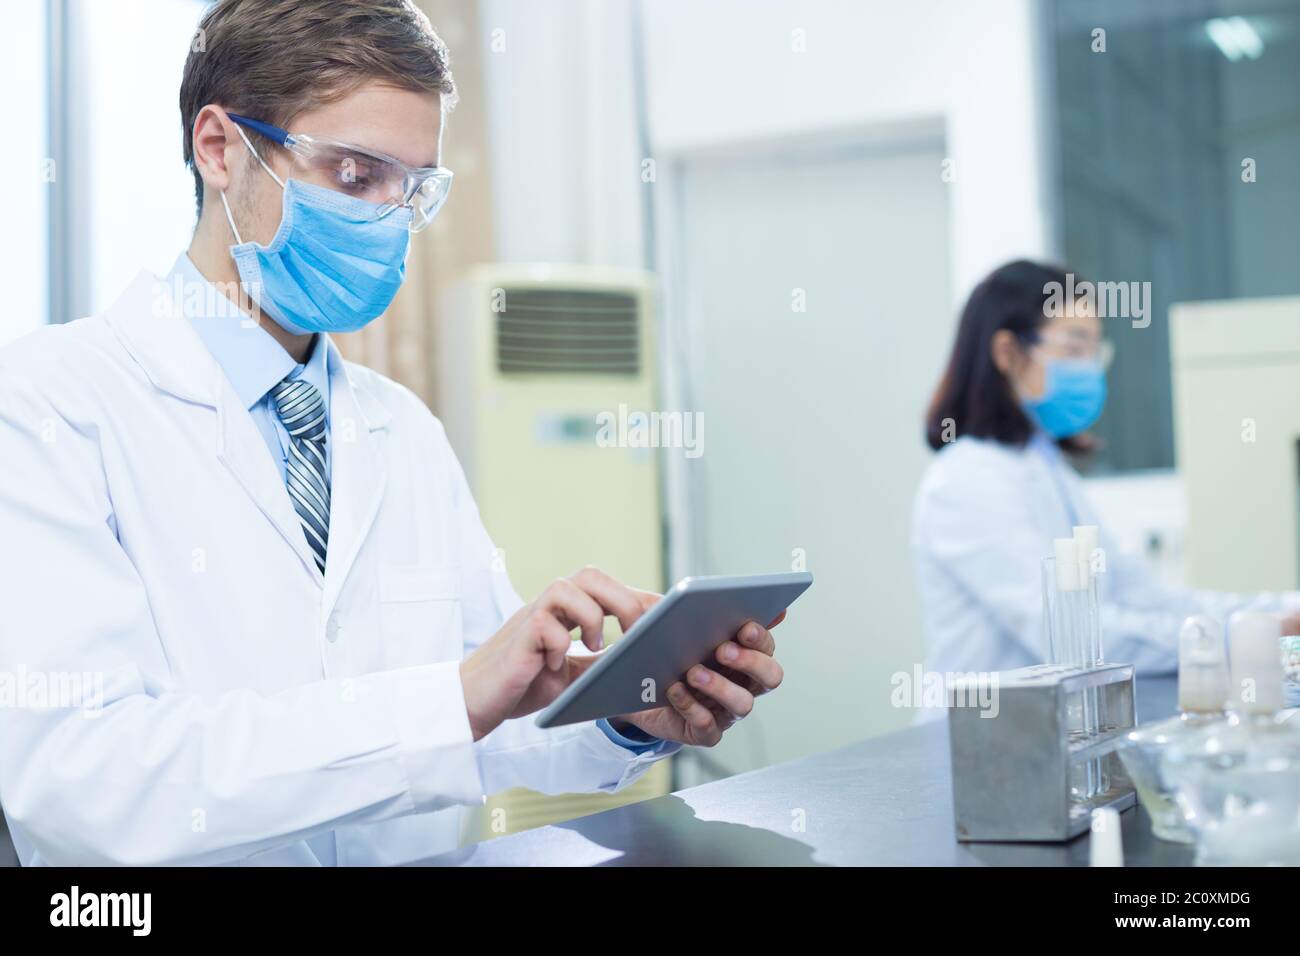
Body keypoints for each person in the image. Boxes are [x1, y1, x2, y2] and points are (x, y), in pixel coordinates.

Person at [0, 0, 786, 866]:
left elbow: (474, 731)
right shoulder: (48, 405)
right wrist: (451, 700)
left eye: (413, 189)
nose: (387, 222)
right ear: (220, 149)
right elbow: (80, 780)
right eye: (354, 174)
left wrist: (625, 715)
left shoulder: (398, 427)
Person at [911, 260, 1297, 684]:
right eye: (1074, 349)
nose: (1089, 369)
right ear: (1006, 352)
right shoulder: (967, 480)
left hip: (1053, 729)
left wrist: (1278, 613)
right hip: (983, 739)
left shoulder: (1046, 468)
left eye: (1095, 352)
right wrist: (1246, 635)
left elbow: (1146, 598)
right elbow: (1072, 639)